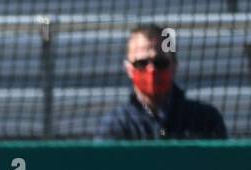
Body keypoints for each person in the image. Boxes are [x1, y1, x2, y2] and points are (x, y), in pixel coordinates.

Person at [95, 23, 226, 140]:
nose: (151, 70)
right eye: (141, 63)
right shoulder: (115, 125)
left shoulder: (205, 120)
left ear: (174, 65)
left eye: (160, 63)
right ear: (129, 69)